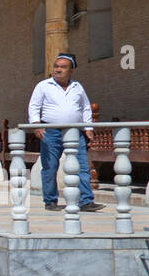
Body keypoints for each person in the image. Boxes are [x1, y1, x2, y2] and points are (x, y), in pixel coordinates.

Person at [28, 52, 98, 211]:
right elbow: (34, 107)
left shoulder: (77, 86)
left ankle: (86, 200)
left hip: (74, 131)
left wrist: (88, 128)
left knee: (82, 166)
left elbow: (85, 107)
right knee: (50, 166)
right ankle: (50, 201)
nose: (58, 70)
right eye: (56, 66)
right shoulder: (43, 86)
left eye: (63, 67)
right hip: (51, 131)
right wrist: (36, 125)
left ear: (71, 70)